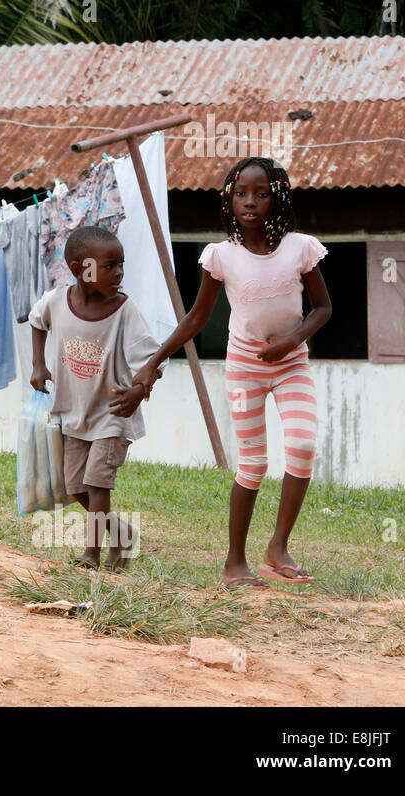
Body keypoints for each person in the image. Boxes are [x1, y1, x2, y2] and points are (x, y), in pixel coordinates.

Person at [132, 157, 331, 588]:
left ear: (277, 199)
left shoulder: (301, 248)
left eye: (262, 194)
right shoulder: (220, 256)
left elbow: (324, 308)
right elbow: (197, 318)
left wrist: (292, 339)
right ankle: (234, 564)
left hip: (291, 365)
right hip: (244, 369)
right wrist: (153, 362)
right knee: (254, 464)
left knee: (302, 444)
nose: (251, 202)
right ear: (229, 200)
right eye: (241, 193)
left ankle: (278, 548)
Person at [29, 225, 160, 571]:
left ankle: (92, 553)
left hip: (112, 416)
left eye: (121, 265)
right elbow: (36, 320)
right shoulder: (57, 301)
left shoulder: (124, 310)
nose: (119, 273)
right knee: (76, 489)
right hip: (74, 413)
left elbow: (151, 360)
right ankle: (122, 535)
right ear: (79, 270)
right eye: (109, 266)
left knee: (96, 484)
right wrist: (38, 365)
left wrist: (139, 389)